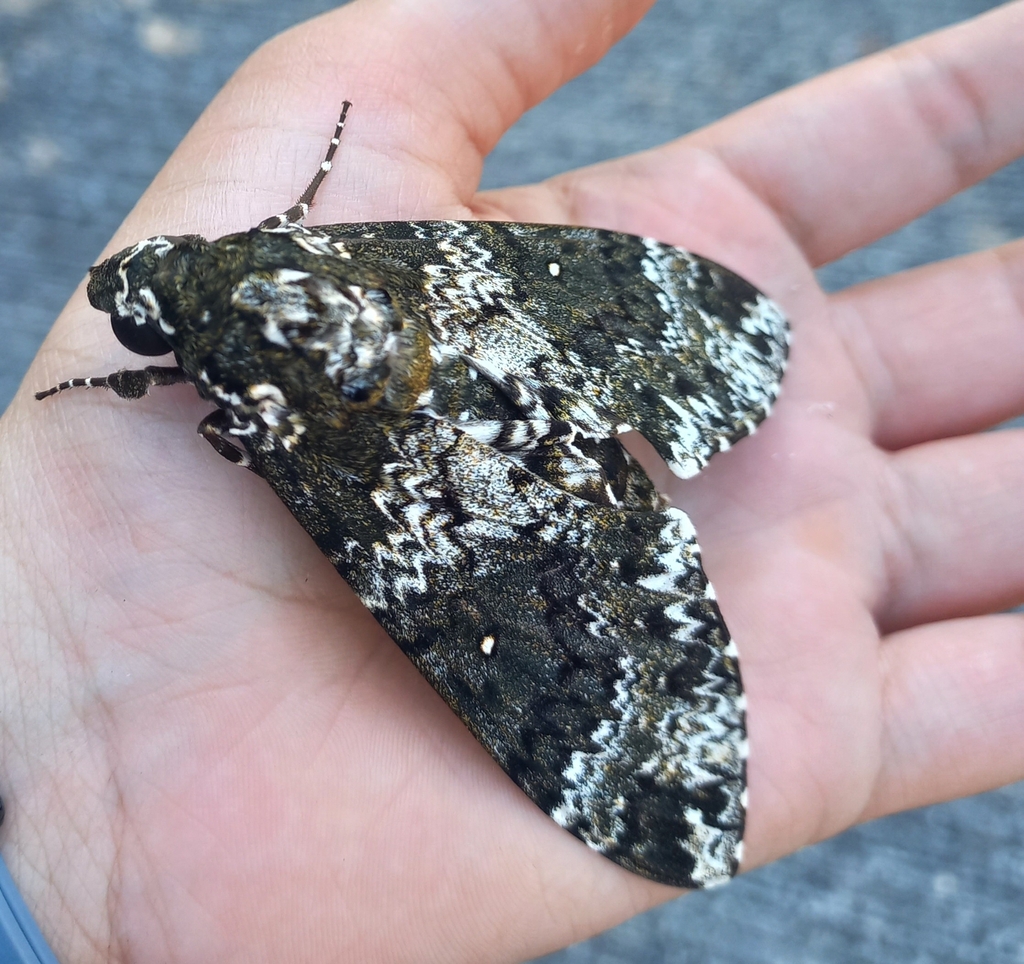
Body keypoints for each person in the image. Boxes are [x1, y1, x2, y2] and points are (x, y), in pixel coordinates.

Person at [2, 0, 1023, 960]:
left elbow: (229, 428)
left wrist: (246, 436)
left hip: (421, 499)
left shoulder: (233, 390)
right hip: (455, 315)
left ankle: (629, 708)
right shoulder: (322, 261)